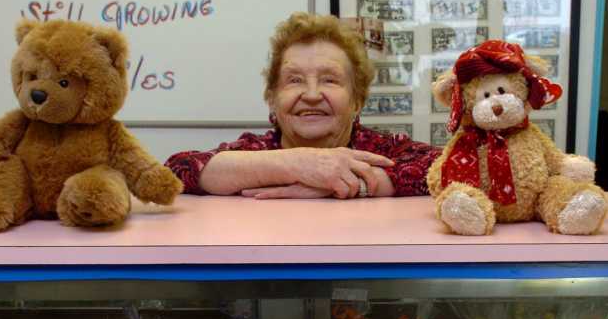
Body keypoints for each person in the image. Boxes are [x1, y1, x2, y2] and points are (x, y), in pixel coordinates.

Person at [166, 13, 439, 198]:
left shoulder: (382, 151)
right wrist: (296, 164)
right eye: (294, 80)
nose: (311, 94)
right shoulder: (257, 150)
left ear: (357, 99)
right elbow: (178, 169)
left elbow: (452, 168)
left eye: (329, 80)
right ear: (272, 97)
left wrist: (346, 184)